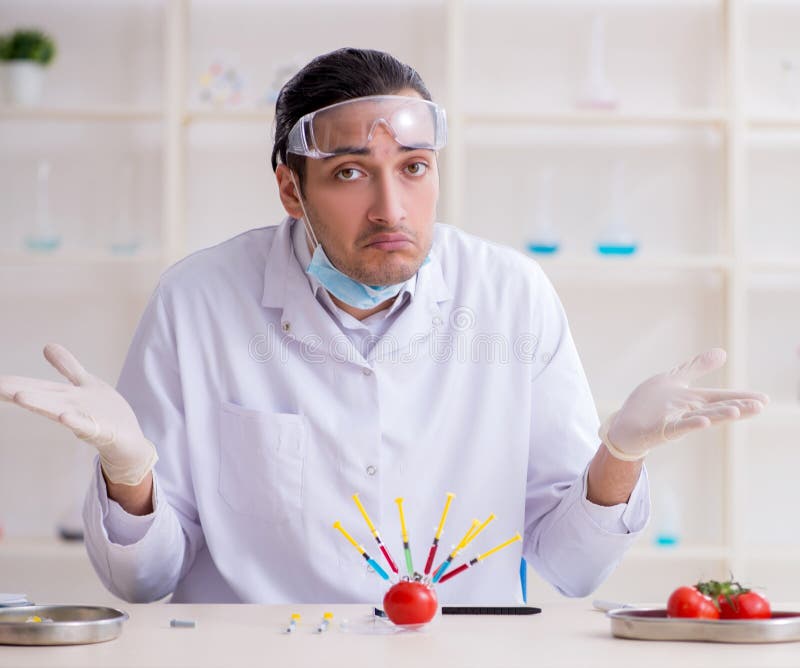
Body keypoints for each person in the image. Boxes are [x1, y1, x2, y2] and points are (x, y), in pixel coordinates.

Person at [0, 48, 768, 605]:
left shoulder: (511, 295)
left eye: (413, 166)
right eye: (348, 173)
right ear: (289, 190)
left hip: (464, 652)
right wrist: (130, 474)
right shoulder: (198, 302)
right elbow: (146, 578)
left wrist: (619, 457)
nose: (391, 209)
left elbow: (571, 568)